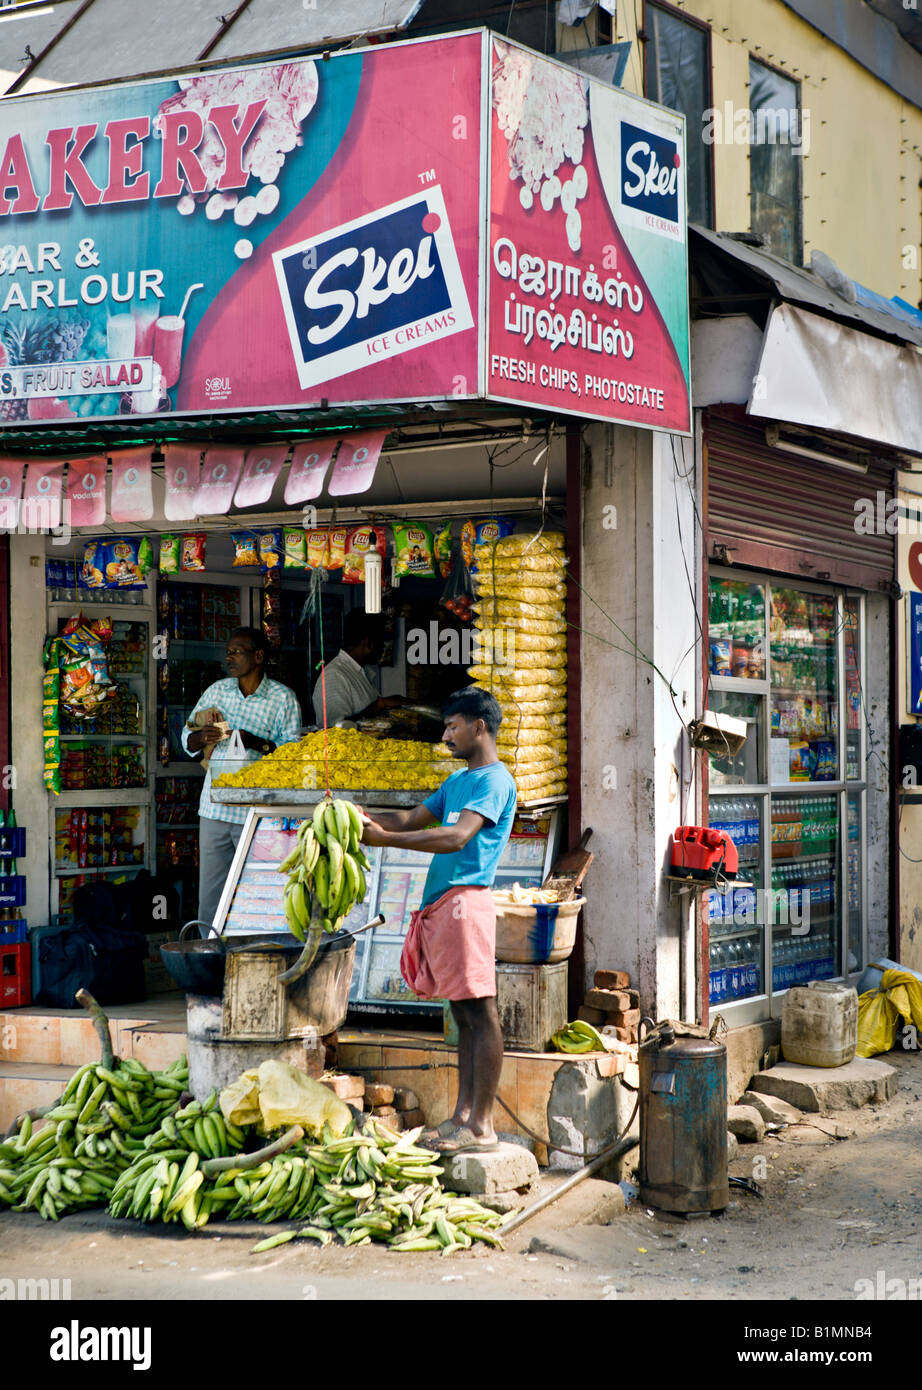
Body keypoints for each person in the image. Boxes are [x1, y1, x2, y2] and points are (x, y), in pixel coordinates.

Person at [359, 687, 517, 1154]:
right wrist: (361, 817)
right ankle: (462, 1116)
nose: (446, 735)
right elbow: (410, 817)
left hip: (467, 904)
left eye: (452, 726)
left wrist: (387, 841)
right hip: (444, 906)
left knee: (481, 1013)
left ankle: (482, 1126)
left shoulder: (494, 781)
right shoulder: (458, 782)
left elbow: (456, 838)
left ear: (478, 727)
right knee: (463, 1015)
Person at [181, 627, 302, 927]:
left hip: (259, 813)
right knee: (211, 895)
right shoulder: (217, 691)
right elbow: (186, 737)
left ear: (258, 656)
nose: (229, 657)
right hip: (215, 809)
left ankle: (251, 955)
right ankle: (209, 961)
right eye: (228, 651)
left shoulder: (282, 699)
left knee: (261, 891)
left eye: (237, 651)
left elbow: (293, 754)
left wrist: (255, 742)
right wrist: (200, 737)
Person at [312, 609, 408, 726]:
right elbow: (335, 730)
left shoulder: (361, 672)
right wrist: (380, 704)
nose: (384, 648)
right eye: (381, 642)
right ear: (368, 643)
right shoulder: (334, 676)